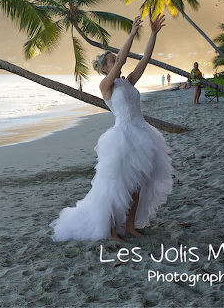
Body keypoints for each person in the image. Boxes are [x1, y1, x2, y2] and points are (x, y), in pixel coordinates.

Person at [50, 15, 173, 242]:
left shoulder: (127, 82)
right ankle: (111, 231)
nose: (115, 61)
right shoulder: (106, 86)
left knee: (136, 186)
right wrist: (133, 32)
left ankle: (130, 226)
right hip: (122, 138)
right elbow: (122, 62)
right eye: (111, 60)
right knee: (113, 187)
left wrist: (153, 34)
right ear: (104, 68)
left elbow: (145, 59)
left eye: (114, 58)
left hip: (141, 135)